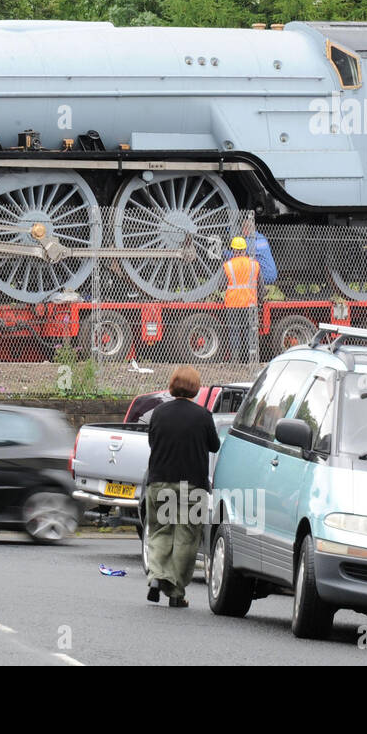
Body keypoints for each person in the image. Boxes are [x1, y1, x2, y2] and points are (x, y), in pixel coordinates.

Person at [144, 365, 220, 608]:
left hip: (159, 482)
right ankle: (176, 592)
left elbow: (151, 442)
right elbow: (214, 446)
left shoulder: (158, 413)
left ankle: (156, 576)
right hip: (192, 486)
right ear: (196, 389)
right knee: (186, 537)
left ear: (172, 385)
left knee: (160, 532)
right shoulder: (203, 416)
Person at [222, 236, 261, 362]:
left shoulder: (228, 265)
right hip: (250, 303)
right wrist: (260, 298)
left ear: (233, 250)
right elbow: (261, 286)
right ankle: (250, 359)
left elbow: (221, 285)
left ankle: (235, 359)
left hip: (233, 304)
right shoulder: (254, 265)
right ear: (245, 250)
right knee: (250, 331)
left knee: (234, 331)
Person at [240, 217, 277, 287]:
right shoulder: (262, 238)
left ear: (246, 228)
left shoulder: (249, 242)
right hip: (273, 274)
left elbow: (237, 255)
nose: (242, 230)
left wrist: (223, 252)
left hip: (263, 276)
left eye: (242, 228)